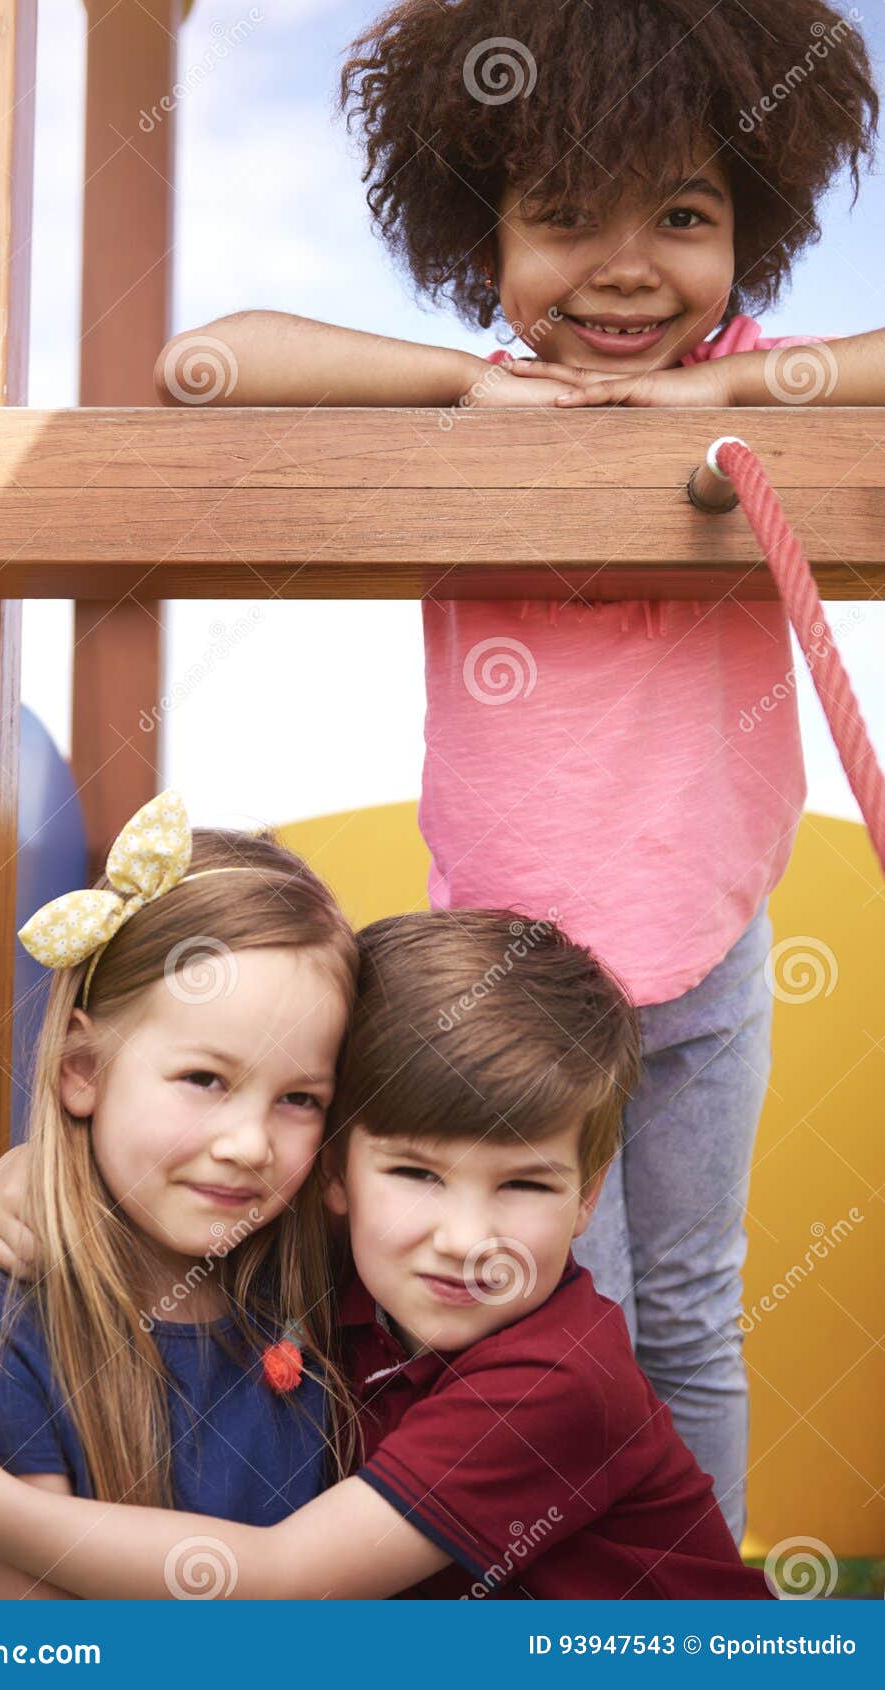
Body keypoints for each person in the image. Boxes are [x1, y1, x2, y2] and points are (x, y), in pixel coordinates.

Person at [147, 0, 882, 1545]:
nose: (626, 266)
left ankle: (693, 1594)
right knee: (558, 1323)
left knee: (687, 1306)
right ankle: (541, 1601)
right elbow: (201, 364)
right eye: (562, 220)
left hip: (712, 955)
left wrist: (729, 395)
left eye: (682, 216)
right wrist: (454, 385)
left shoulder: (765, 383)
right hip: (517, 982)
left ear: (753, 230)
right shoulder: (480, 399)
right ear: (481, 244)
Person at [0, 910, 773, 1599]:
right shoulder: (332, 1256)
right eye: (415, 1172)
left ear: (588, 1195)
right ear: (338, 1171)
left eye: (525, 1186)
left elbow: (278, 1584)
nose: (465, 1240)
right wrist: (36, 1173)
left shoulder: (557, 1380)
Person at [0, 786, 360, 1598]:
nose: (249, 1145)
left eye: (299, 1098)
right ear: (83, 1072)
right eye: (204, 1079)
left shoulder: (309, 1277)